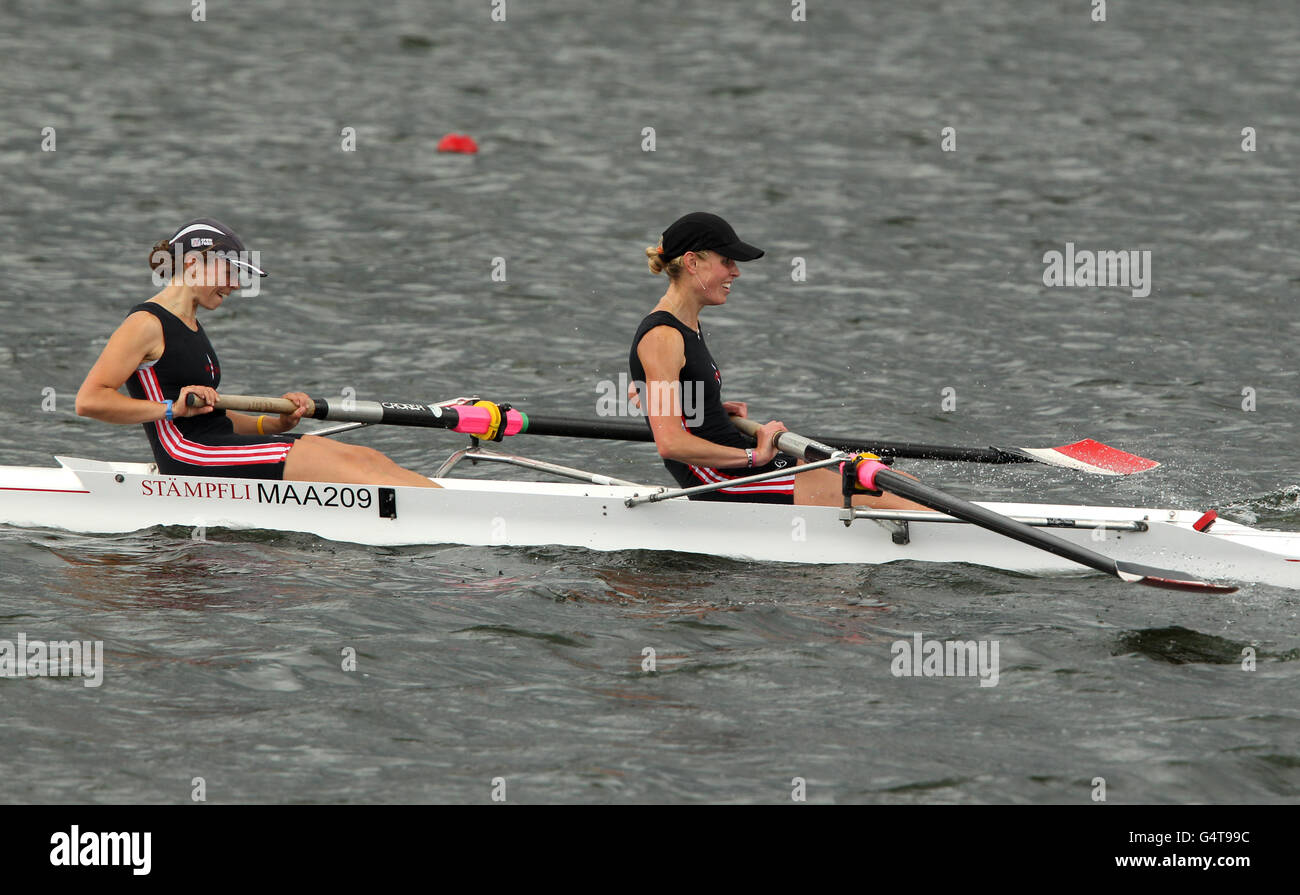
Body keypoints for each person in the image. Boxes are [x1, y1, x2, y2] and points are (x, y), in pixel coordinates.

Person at [75, 218, 437, 488]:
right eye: (230, 271)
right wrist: (171, 408)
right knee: (340, 464)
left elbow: (211, 416)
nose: (235, 284)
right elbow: (90, 401)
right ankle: (448, 513)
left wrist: (275, 423)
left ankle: (441, 500)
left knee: (363, 457)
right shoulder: (146, 323)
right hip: (189, 454)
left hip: (216, 442)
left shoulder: (191, 325)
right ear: (192, 263)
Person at [629, 211, 923, 509]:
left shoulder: (682, 323)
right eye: (727, 261)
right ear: (692, 262)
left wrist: (708, 407)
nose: (736, 272)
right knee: (891, 497)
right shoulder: (663, 336)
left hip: (737, 464)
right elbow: (670, 444)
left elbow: (668, 389)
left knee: (898, 482)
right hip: (723, 481)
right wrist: (755, 456)